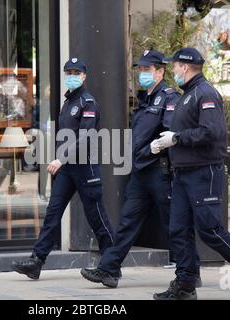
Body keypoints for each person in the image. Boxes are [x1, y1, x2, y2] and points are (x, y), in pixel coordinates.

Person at [151, 48, 230, 300]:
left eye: (176, 66)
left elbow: (211, 132)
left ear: (186, 67)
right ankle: (185, 284)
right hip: (183, 173)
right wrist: (165, 143)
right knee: (178, 229)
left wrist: (176, 138)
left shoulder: (205, 93)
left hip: (204, 172)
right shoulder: (188, 94)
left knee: (209, 229)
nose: (173, 70)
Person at [80, 50, 186, 289]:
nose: (142, 73)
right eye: (140, 69)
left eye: (147, 70)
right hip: (140, 171)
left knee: (174, 224)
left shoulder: (169, 98)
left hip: (159, 171)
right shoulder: (145, 98)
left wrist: (152, 152)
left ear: (160, 72)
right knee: (128, 221)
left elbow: (169, 135)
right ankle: (109, 270)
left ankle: (189, 272)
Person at [11, 58, 115, 280]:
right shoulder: (68, 103)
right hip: (68, 169)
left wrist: (61, 159)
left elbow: (85, 136)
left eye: (76, 72)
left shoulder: (88, 103)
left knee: (97, 217)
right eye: (68, 71)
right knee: (53, 213)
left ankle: (111, 265)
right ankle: (36, 261)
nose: (72, 75)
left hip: (85, 168)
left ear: (84, 76)